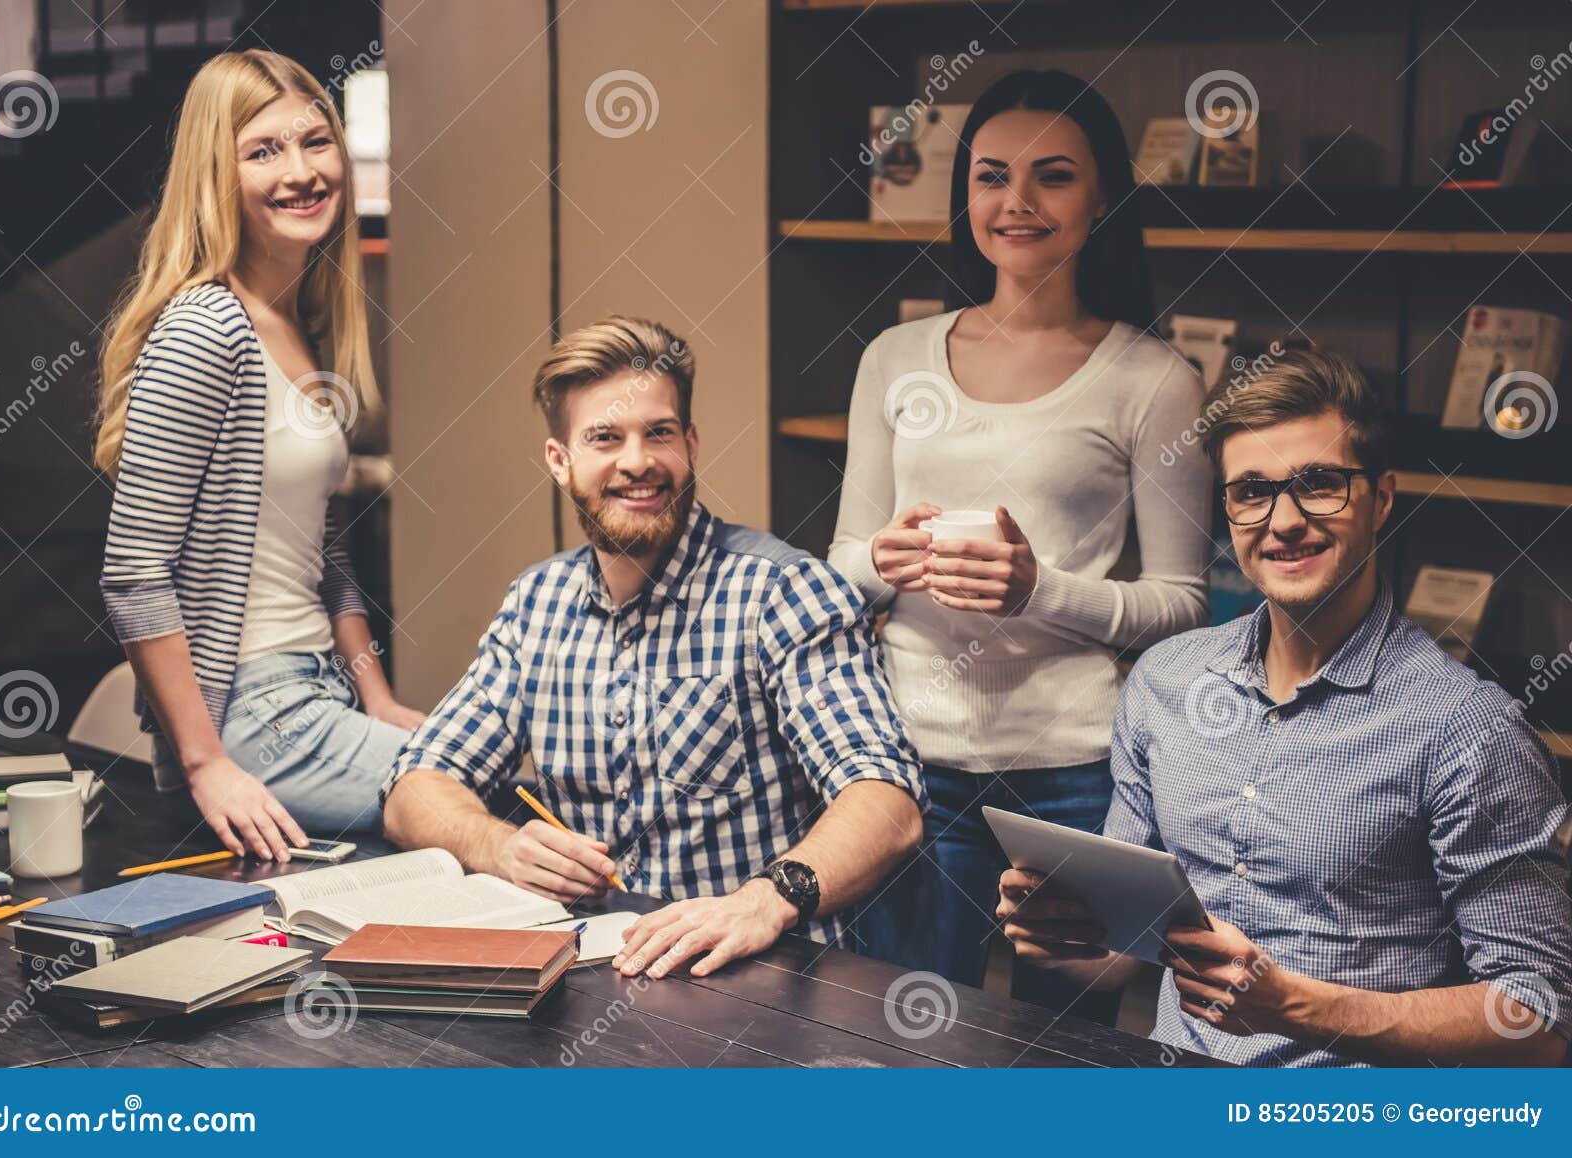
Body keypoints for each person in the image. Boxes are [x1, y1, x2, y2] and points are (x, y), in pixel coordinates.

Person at [999, 349, 1572, 1066]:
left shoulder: (1469, 731)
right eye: (1251, 491)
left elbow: (1539, 1016)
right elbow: (1122, 958)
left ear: (1382, 498)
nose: (1285, 520)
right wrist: (1065, 937)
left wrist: (1296, 1008)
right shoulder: (1164, 682)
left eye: (1320, 484)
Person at [381, 317, 926, 979]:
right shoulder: (536, 605)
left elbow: (886, 800)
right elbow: (414, 786)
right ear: (561, 461)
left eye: (658, 433)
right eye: (605, 438)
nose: (636, 461)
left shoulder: (783, 592)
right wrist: (498, 845)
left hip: (763, 978)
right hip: (593, 978)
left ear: (691, 445)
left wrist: (766, 900)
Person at [828, 69, 1211, 994]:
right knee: (898, 1033)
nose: (1018, 202)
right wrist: (881, 561)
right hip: (906, 754)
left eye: (1055, 176)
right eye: (992, 175)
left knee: (1062, 1048)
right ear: (966, 197)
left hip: (1071, 771)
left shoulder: (1155, 380)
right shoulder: (895, 357)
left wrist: (1041, 589)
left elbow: (1185, 607)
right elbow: (839, 566)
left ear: (1104, 195)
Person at [96, 51, 426, 859]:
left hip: (317, 689)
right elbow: (133, 568)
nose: (303, 172)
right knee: (469, 790)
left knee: (490, 778)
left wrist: (375, 697)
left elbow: (323, 547)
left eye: (316, 142)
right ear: (217, 174)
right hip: (247, 713)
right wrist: (205, 762)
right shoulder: (208, 329)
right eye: (264, 151)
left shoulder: (302, 322)